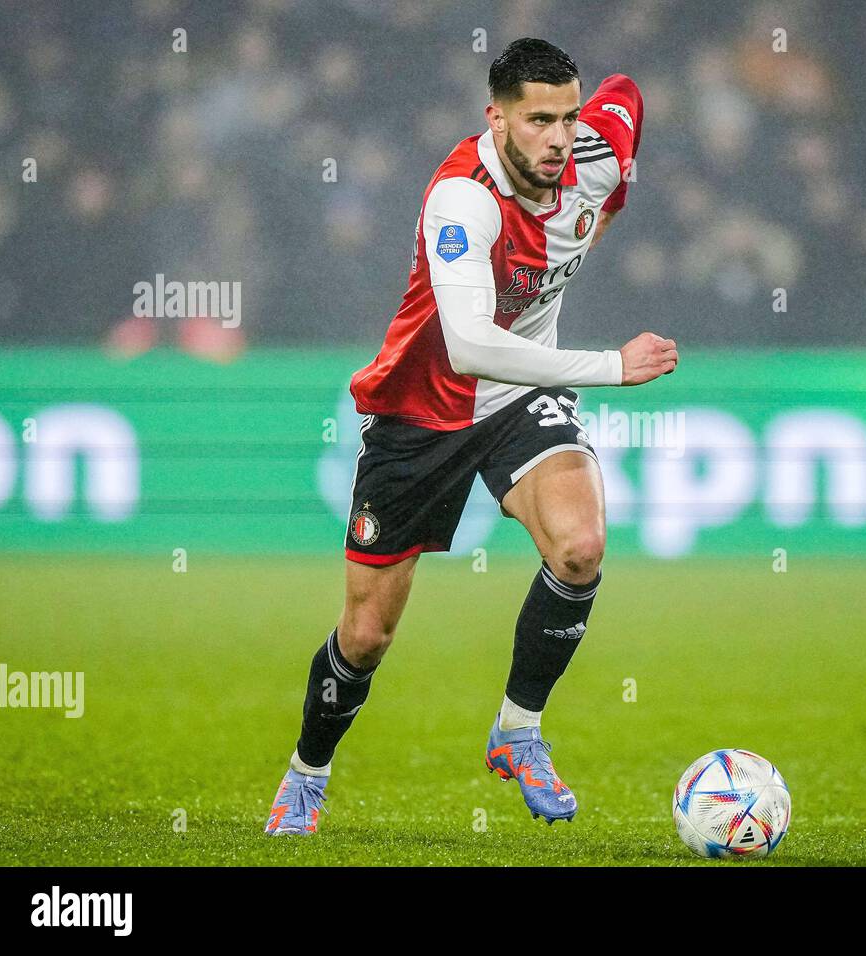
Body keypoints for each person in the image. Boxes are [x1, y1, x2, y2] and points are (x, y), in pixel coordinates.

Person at [265, 37, 677, 834]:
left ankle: (518, 730)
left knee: (581, 546)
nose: (558, 138)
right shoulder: (463, 199)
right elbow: (469, 345)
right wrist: (611, 367)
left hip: (523, 396)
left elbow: (626, 95)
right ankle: (307, 772)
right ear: (497, 119)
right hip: (422, 414)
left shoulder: (598, 154)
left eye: (568, 117)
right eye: (537, 121)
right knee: (367, 634)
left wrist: (600, 205)